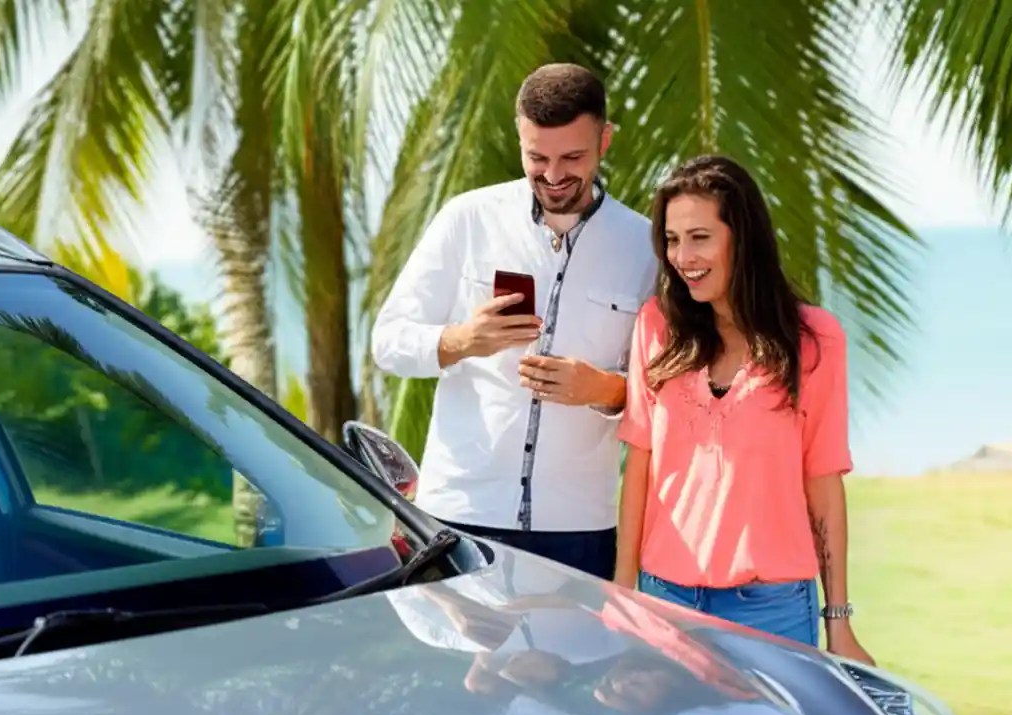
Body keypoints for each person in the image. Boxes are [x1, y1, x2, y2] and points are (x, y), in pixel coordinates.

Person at [370, 63, 656, 579]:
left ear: (605, 140)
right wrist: (461, 340)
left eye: (572, 157)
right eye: (537, 157)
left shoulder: (645, 247)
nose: (553, 175)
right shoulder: (467, 219)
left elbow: (670, 389)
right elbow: (387, 342)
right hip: (458, 514)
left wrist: (605, 389)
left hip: (578, 529)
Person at [612, 154, 875, 665]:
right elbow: (639, 463)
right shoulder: (657, 327)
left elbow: (823, 481)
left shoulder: (814, 340)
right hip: (666, 601)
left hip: (772, 611)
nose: (683, 256)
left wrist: (839, 623)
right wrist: (625, 590)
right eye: (672, 239)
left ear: (743, 238)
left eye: (700, 237)